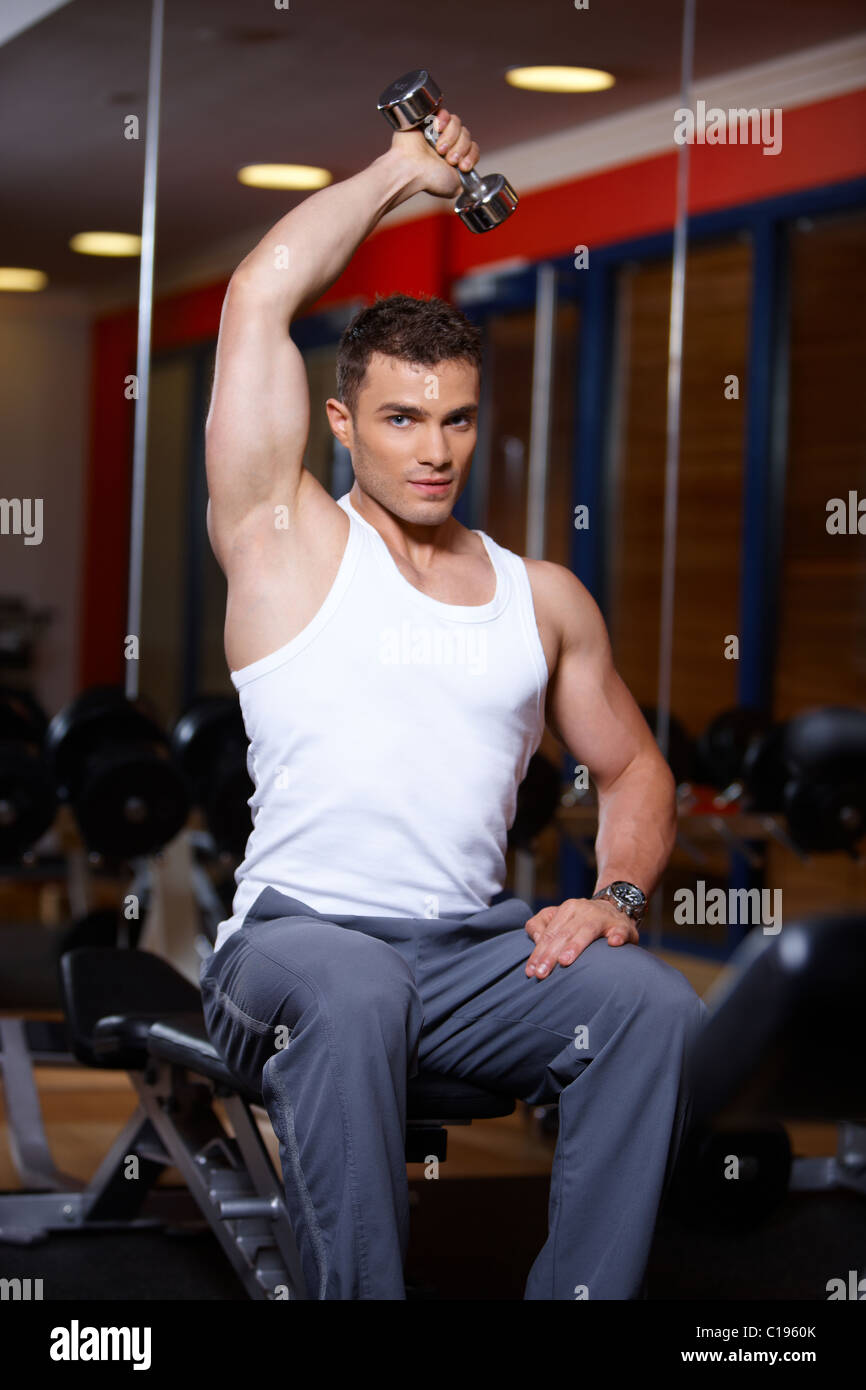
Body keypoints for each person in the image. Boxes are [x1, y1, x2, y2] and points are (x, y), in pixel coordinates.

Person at [199, 101, 708, 1300]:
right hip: (292, 955)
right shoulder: (286, 540)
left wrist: (615, 898)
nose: (433, 449)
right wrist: (396, 172)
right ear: (340, 423)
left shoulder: (540, 598)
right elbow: (256, 298)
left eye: (456, 418)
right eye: (399, 418)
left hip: (465, 963)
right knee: (353, 983)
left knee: (647, 1006)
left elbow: (635, 770)